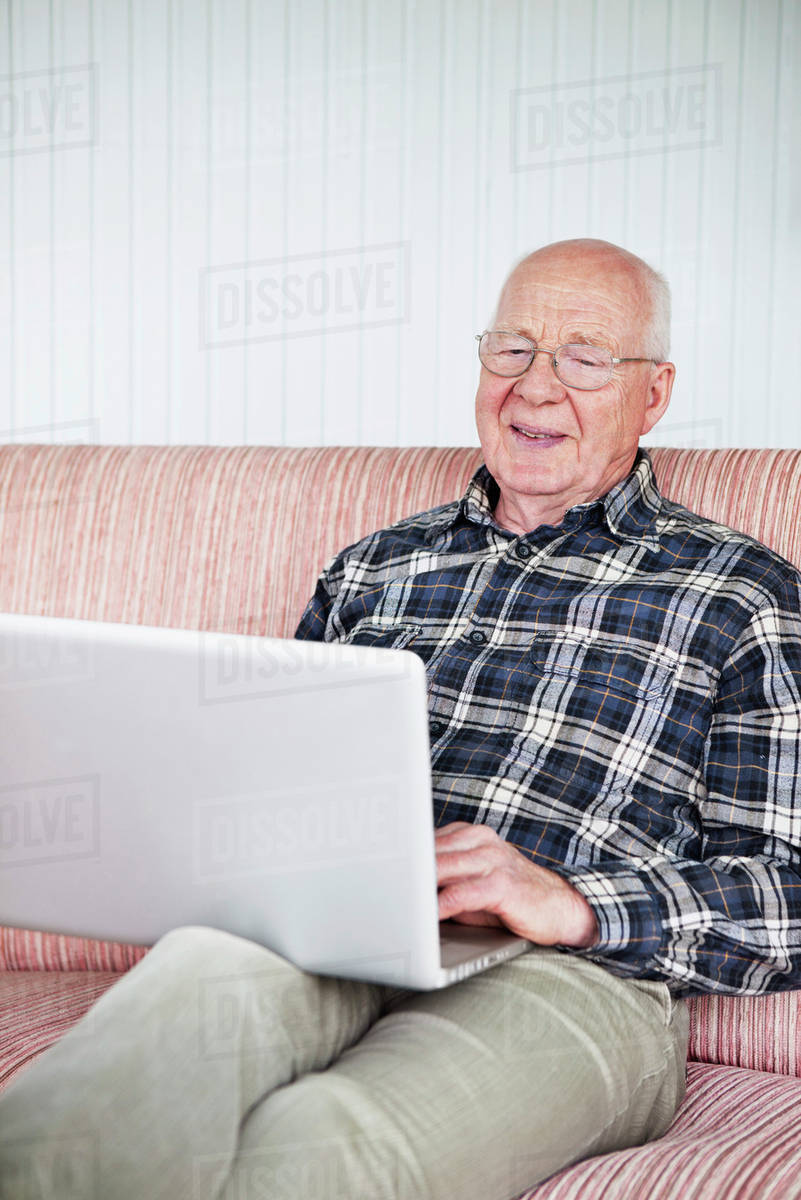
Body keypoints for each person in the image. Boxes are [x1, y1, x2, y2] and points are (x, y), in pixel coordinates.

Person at [2, 237, 801, 1200]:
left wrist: (572, 900)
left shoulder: (742, 595)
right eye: (511, 350)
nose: (535, 388)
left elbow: (786, 890)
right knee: (105, 1088)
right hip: (332, 928)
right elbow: (266, 790)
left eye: (584, 358)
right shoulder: (375, 568)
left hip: (578, 976)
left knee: (321, 1148)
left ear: (654, 393)